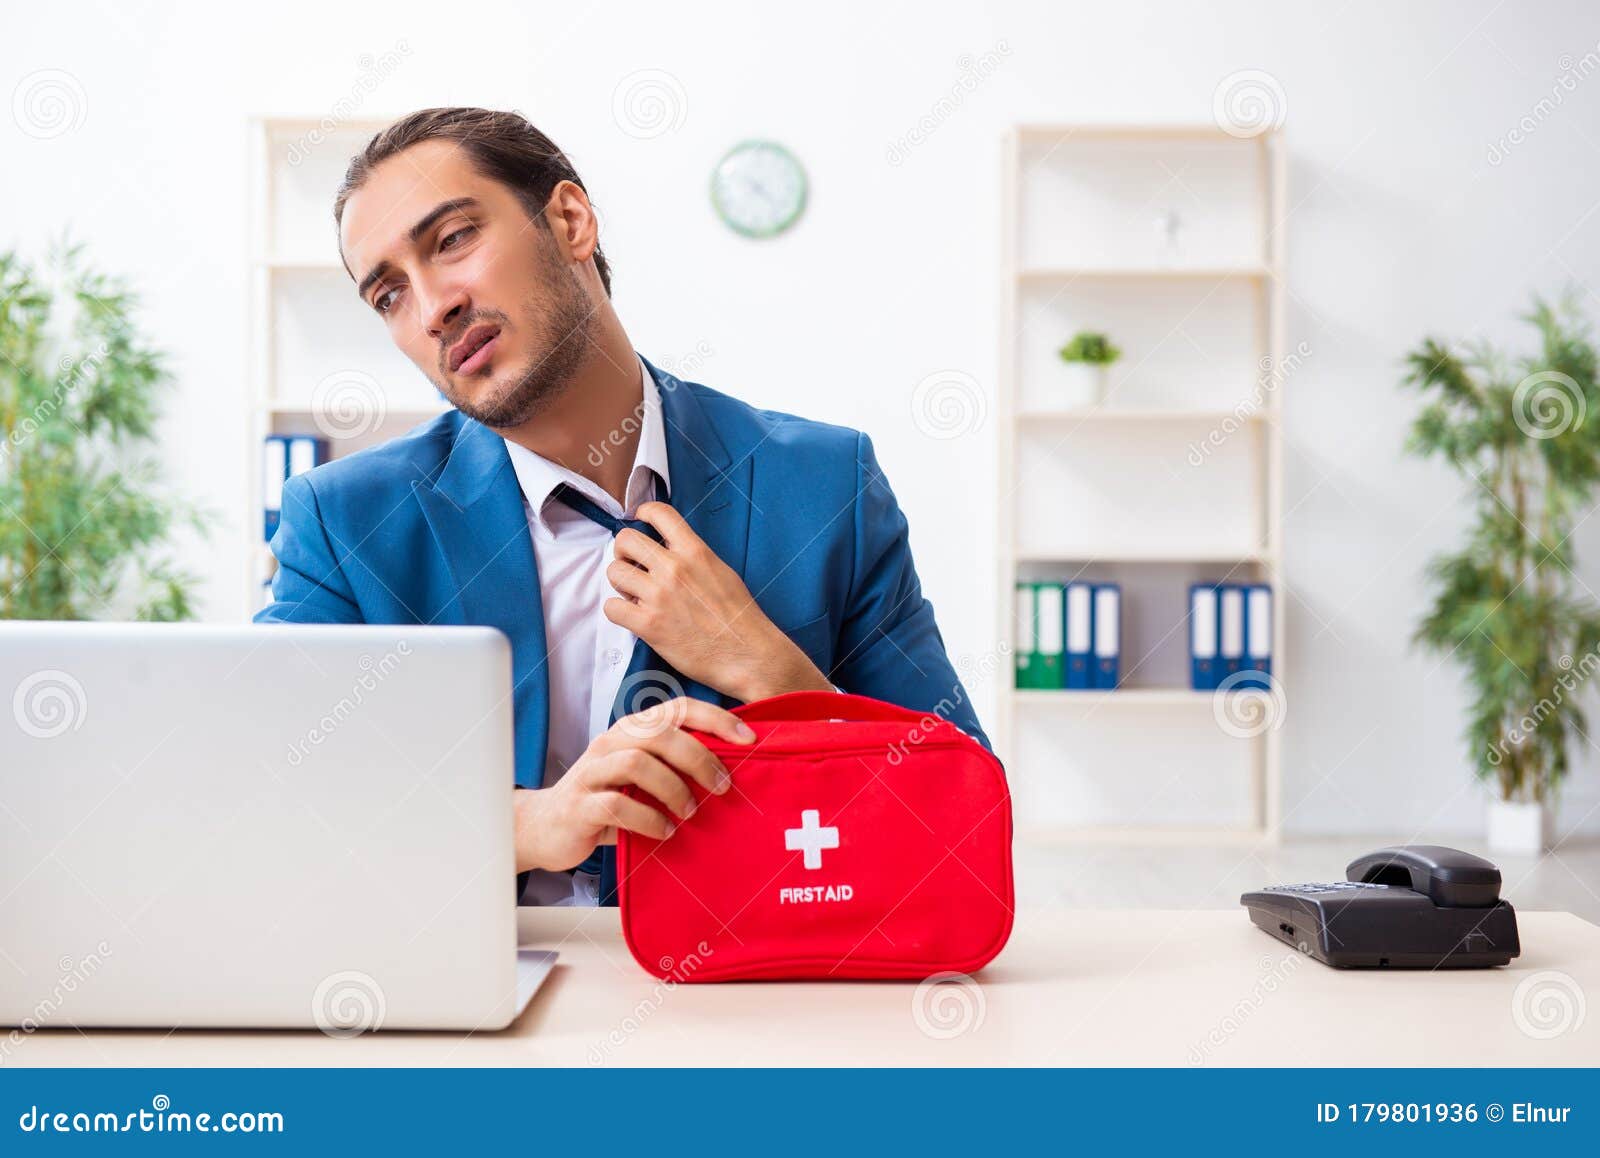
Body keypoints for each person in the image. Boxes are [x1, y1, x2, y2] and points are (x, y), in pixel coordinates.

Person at [256, 107, 988, 906]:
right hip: (469, 979)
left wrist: (769, 671)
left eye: (453, 239)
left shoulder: (823, 486)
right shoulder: (345, 523)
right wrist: (528, 824)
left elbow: (964, 835)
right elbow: (268, 818)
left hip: (742, 977)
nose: (433, 308)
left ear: (570, 220)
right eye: (389, 294)